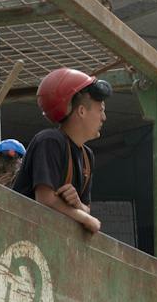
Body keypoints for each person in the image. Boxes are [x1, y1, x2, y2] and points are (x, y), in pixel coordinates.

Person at [11, 67, 110, 234]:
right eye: (100, 110)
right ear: (81, 111)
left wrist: (78, 205)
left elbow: (86, 208)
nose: (104, 117)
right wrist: (86, 219)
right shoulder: (50, 141)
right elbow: (44, 199)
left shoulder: (87, 156)